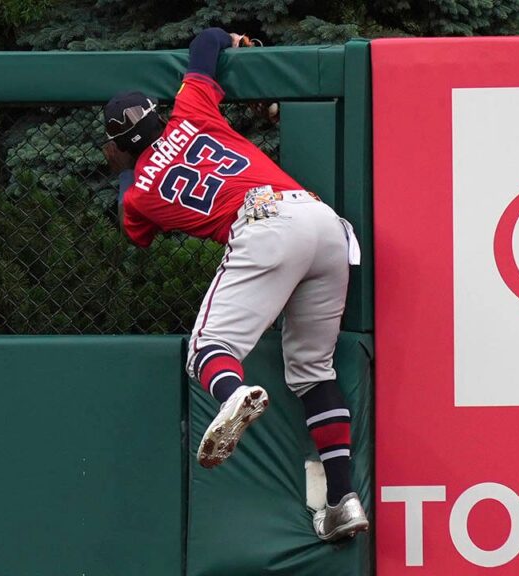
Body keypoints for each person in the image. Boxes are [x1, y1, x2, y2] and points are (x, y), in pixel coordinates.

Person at [101, 27, 368, 542]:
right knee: (314, 370)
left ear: (118, 143)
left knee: (207, 348)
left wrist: (126, 169)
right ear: (158, 115)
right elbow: (205, 42)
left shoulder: (139, 195)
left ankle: (231, 393)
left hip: (265, 227)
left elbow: (134, 231)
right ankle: (342, 500)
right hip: (321, 222)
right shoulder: (191, 112)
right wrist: (234, 38)